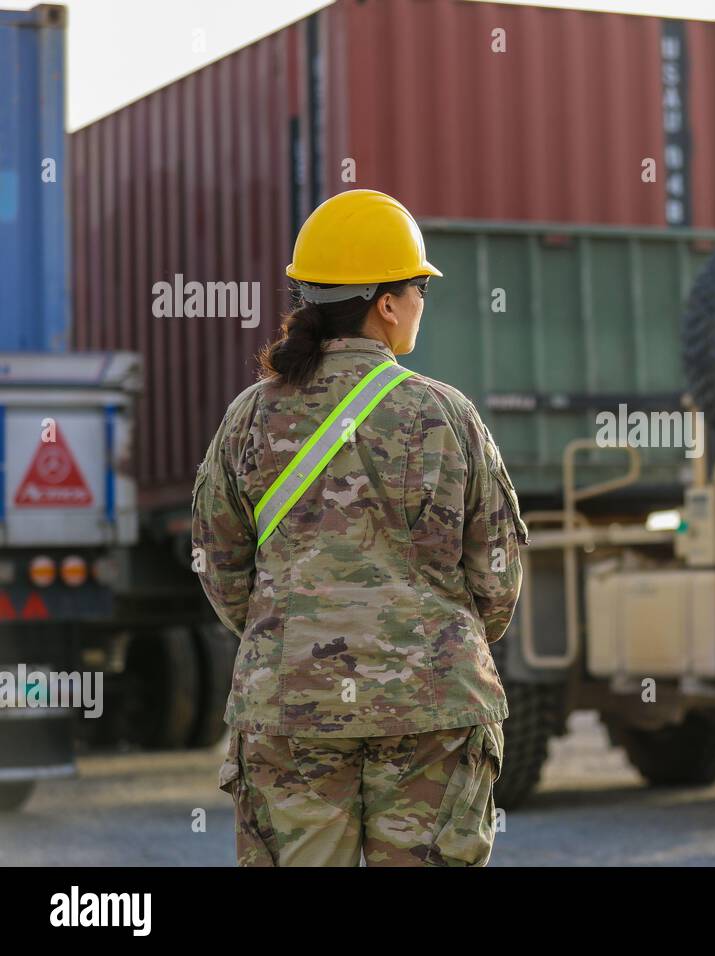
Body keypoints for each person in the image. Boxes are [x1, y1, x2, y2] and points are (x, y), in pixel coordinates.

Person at [191, 188, 528, 866]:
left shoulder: (250, 418)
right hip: (433, 706)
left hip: (291, 705)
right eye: (419, 290)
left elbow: (218, 562)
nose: (422, 306)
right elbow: (496, 577)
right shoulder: (446, 415)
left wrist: (290, 629)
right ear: (387, 304)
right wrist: (439, 635)